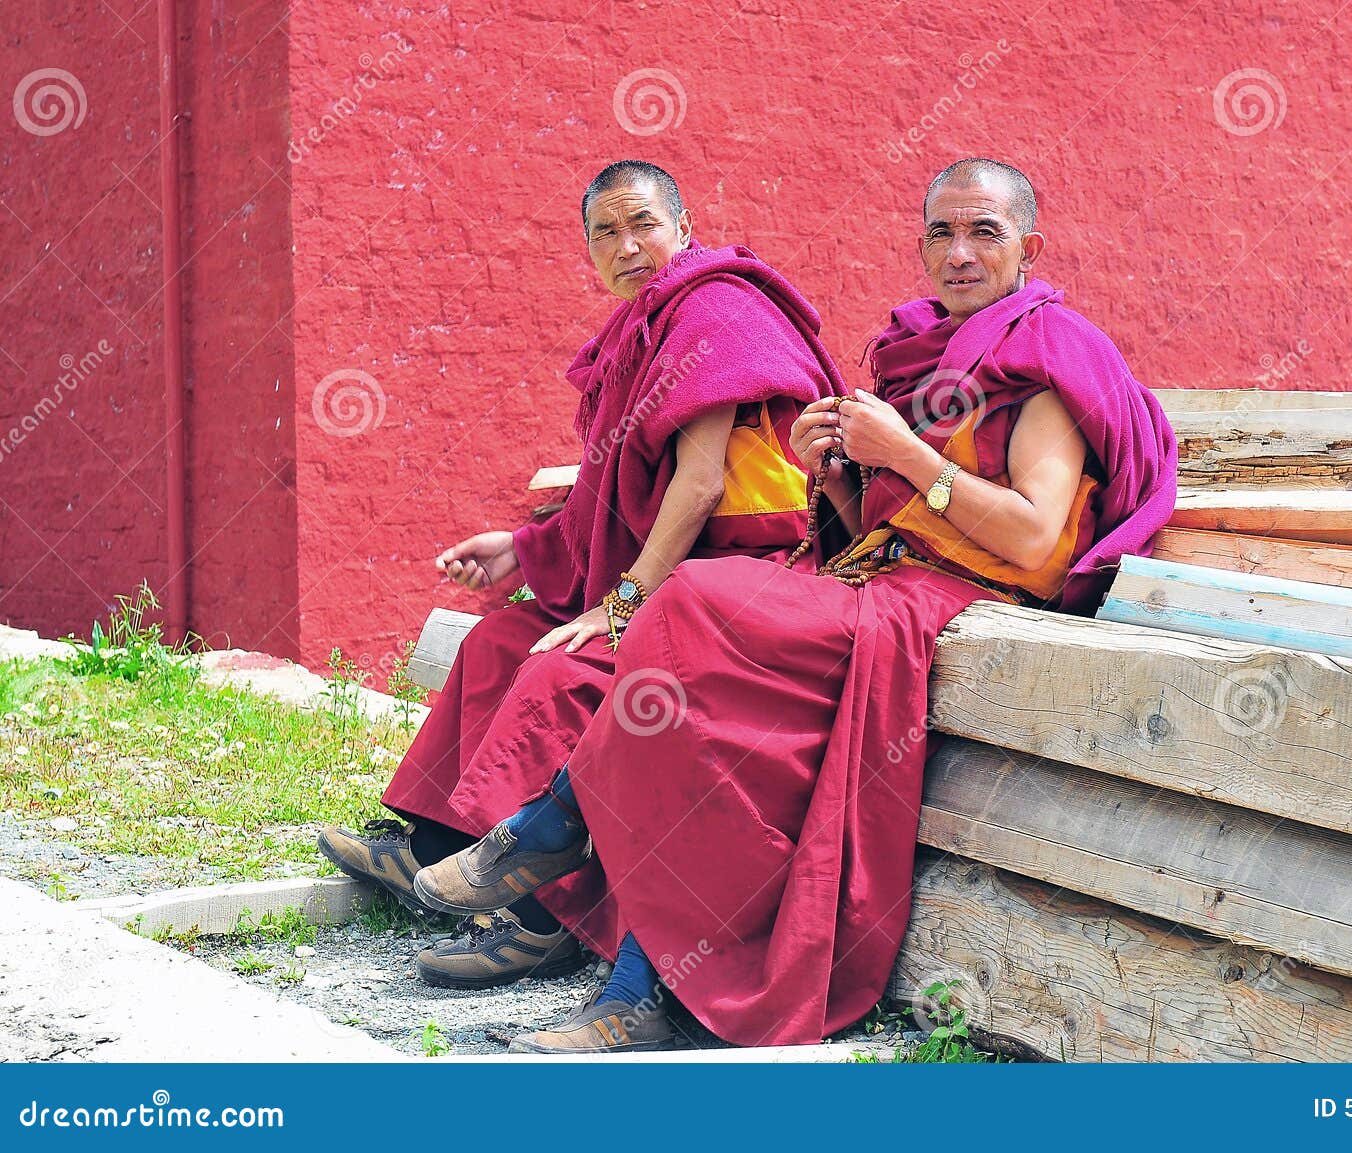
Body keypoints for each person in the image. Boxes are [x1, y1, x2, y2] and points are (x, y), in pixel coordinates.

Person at [413, 157, 1179, 1053]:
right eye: (941, 232)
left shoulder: (1050, 357)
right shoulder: (920, 349)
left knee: (694, 602)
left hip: (946, 605)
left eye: (985, 232)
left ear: (1029, 247)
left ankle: (554, 827)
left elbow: (1033, 542)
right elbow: (884, 525)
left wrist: (909, 453)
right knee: (692, 703)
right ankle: (642, 982)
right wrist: (843, 475)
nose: (960, 253)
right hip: (874, 579)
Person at [318, 160, 846, 990]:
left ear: (684, 224)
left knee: (564, 667)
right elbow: (622, 487)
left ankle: (541, 920)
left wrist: (622, 605)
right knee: (503, 637)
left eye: (643, 223)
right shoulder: (645, 324)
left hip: (746, 579)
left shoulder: (716, 308)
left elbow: (702, 482)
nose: (627, 246)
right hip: (683, 565)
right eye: (605, 232)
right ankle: (435, 845)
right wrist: (522, 550)